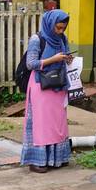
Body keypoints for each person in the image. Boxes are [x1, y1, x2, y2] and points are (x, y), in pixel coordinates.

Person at [21, 9, 73, 174]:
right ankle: (38, 161)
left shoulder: (62, 39)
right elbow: (31, 64)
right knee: (42, 125)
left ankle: (57, 159)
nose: (60, 31)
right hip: (41, 86)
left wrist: (67, 58)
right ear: (50, 24)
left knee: (58, 124)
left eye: (63, 28)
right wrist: (53, 59)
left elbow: (64, 55)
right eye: (57, 28)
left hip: (58, 85)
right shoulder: (37, 39)